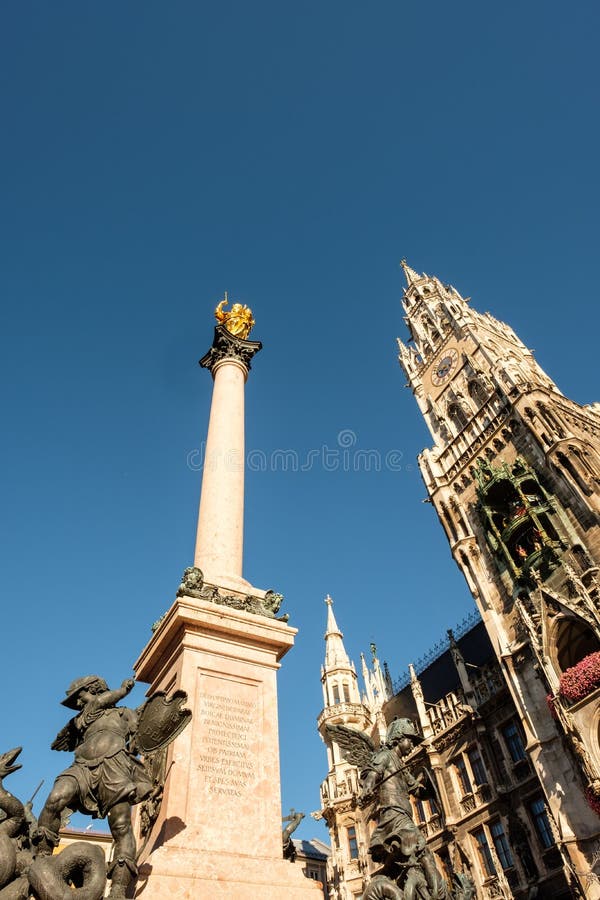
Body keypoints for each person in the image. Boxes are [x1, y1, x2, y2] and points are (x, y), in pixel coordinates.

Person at [35, 675, 153, 899]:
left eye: (79, 696)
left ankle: (118, 889)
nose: (78, 702)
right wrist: (123, 690)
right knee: (55, 798)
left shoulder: (125, 713)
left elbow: (140, 739)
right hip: (82, 768)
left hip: (114, 766)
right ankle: (42, 857)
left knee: (121, 825)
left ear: (94, 688)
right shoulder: (85, 716)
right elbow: (99, 702)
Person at [360, 718, 445, 899]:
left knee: (408, 859)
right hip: (394, 814)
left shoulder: (402, 767)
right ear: (398, 739)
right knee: (422, 850)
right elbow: (371, 774)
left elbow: (417, 791)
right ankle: (436, 895)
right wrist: (367, 788)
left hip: (402, 814)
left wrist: (430, 788)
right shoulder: (385, 756)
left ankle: (413, 888)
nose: (412, 745)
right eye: (410, 740)